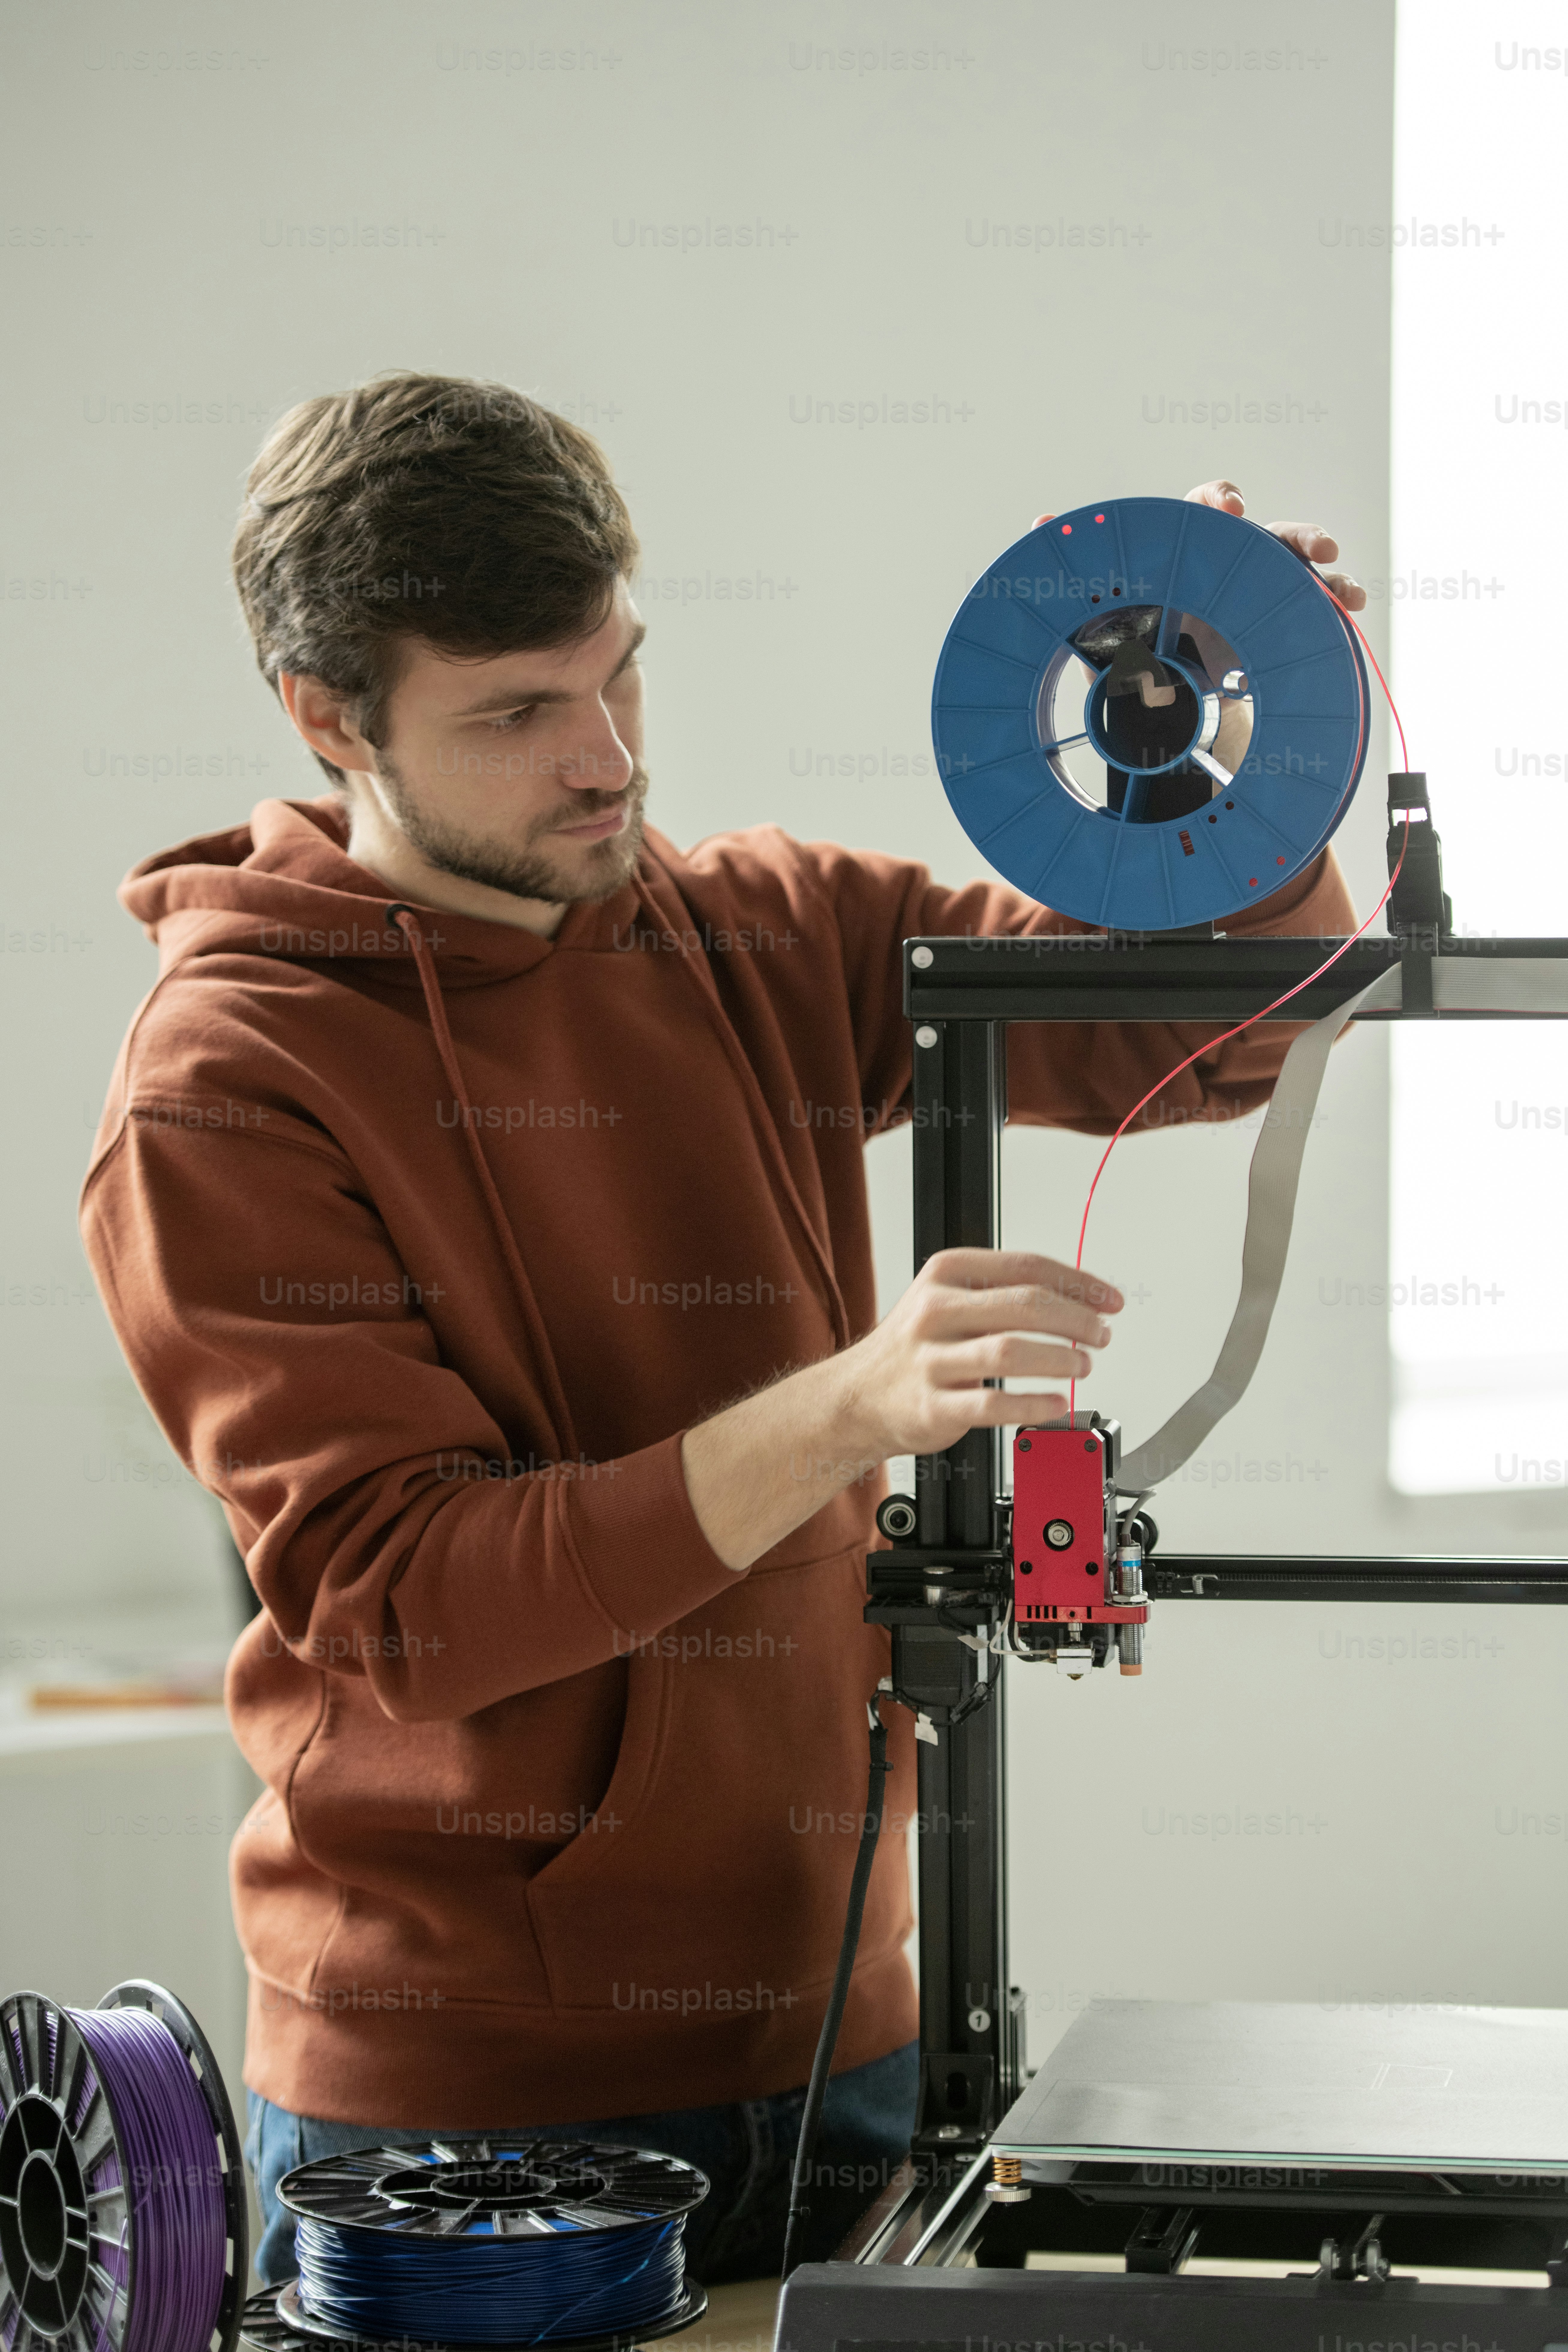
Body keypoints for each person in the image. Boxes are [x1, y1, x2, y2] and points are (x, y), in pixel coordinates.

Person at [80, 373, 1360, 2283]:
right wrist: (848, 1408)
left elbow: (1204, 1026)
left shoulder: (762, 932)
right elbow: (411, 1600)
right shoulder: (222, 1086)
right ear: (329, 716)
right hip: (464, 2109)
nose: (607, 758)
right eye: (517, 712)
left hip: (848, 2041)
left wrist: (1225, 735)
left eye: (622, 675)